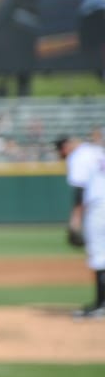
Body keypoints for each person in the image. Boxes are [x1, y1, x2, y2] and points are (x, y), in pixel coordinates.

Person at [57, 134, 105, 318]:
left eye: (61, 148)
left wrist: (75, 220)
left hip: (99, 207)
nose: (62, 153)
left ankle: (101, 305)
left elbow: (80, 189)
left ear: (68, 146)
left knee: (100, 256)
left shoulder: (78, 156)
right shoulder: (96, 150)